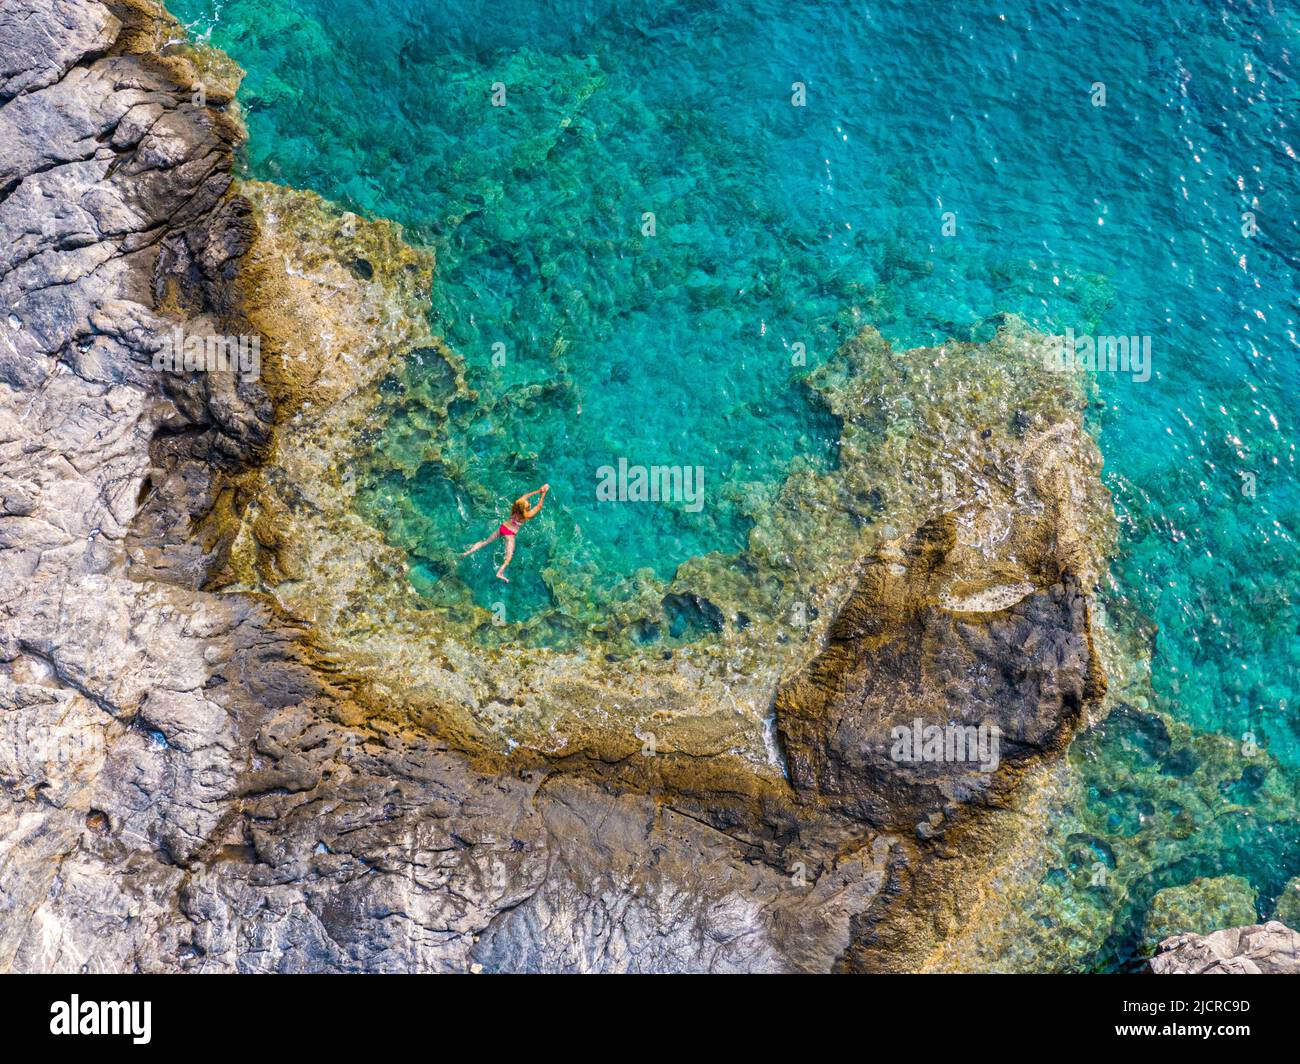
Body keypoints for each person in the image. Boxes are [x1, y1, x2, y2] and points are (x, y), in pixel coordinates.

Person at [459, 484, 549, 582]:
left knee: (485, 542)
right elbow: (539, 506)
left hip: (503, 527)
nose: (529, 503)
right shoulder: (526, 516)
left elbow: (525, 496)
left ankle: (467, 552)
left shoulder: (515, 507)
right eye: (528, 505)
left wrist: (538, 491)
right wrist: (544, 493)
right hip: (510, 535)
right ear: (524, 509)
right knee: (508, 558)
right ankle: (499, 572)